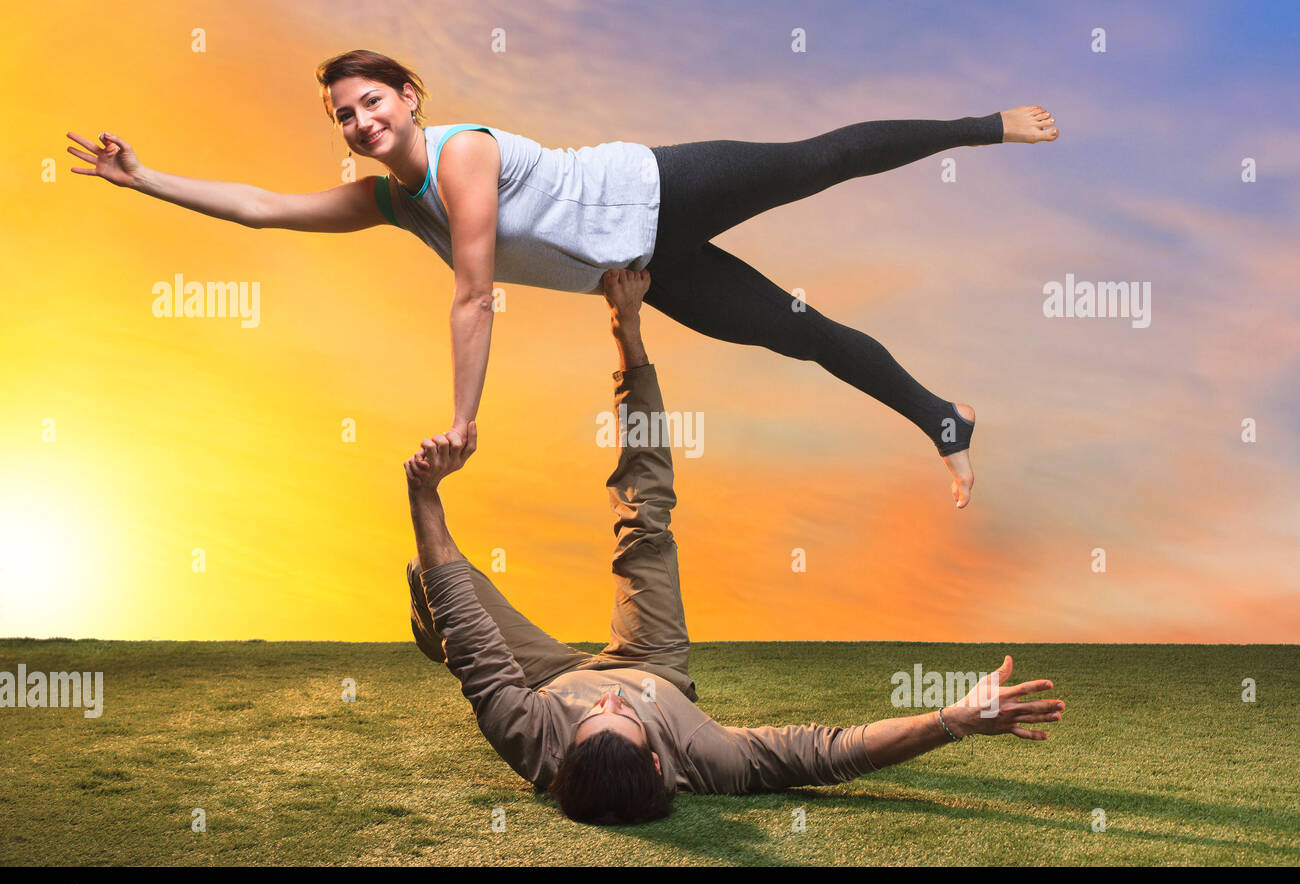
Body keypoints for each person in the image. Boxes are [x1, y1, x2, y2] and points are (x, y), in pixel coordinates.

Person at [67, 48, 1060, 507]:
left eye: (372, 102)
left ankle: (990, 123)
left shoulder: (458, 161)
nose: (361, 122)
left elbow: (470, 292)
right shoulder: (384, 201)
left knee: (814, 159)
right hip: (643, 263)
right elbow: (260, 206)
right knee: (793, 330)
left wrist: (462, 420)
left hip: (662, 185)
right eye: (345, 117)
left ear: (410, 99)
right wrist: (141, 176)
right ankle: (945, 420)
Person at [402, 267, 1065, 826]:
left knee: (433, 581)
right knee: (646, 525)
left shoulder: (529, 735)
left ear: (562, 753)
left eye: (591, 720)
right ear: (661, 763)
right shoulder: (707, 759)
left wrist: (426, 492)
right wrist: (952, 719)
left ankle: (626, 336)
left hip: (545, 678)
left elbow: (470, 625)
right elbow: (827, 754)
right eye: (620, 716)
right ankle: (630, 339)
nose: (607, 702)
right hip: (653, 663)